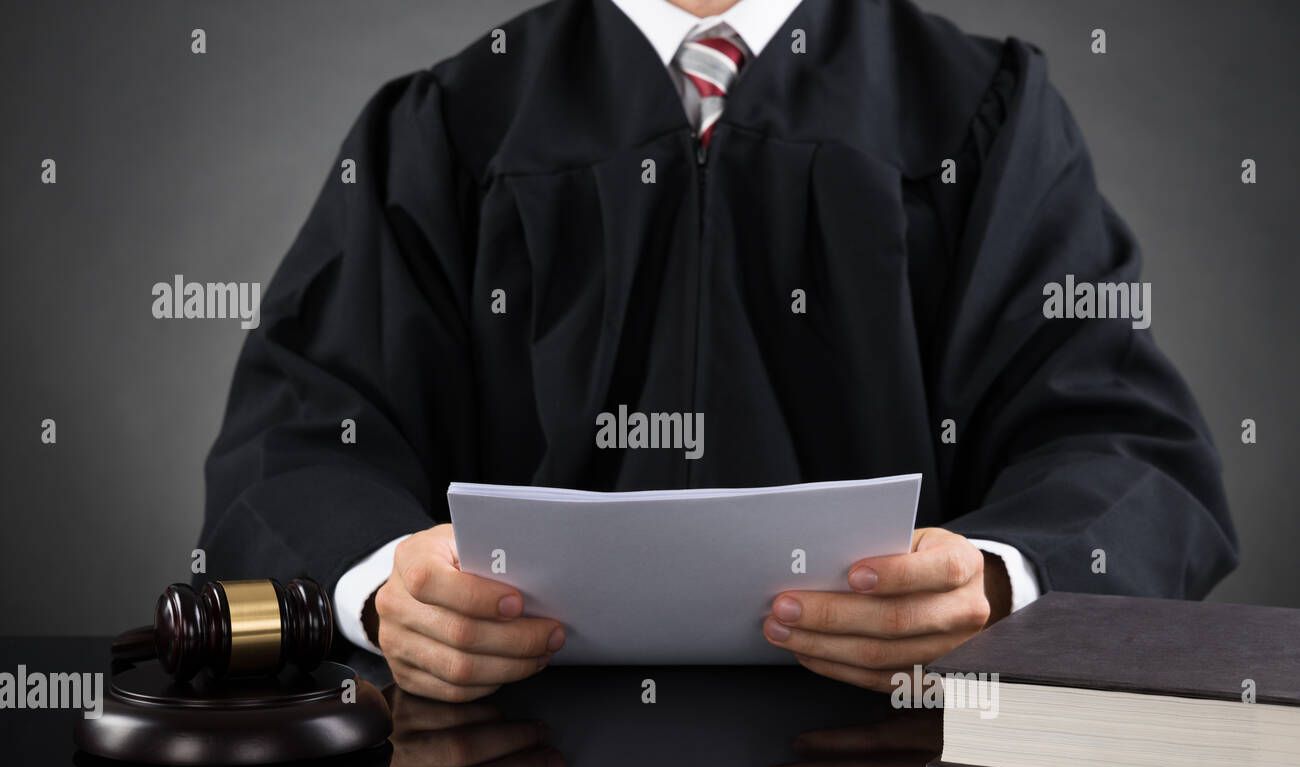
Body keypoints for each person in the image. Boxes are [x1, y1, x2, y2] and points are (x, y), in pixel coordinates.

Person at [198, 0, 1237, 701]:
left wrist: (1000, 585)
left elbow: (1120, 444)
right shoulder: (450, 127)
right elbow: (300, 440)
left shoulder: (981, 114)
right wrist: (384, 585)